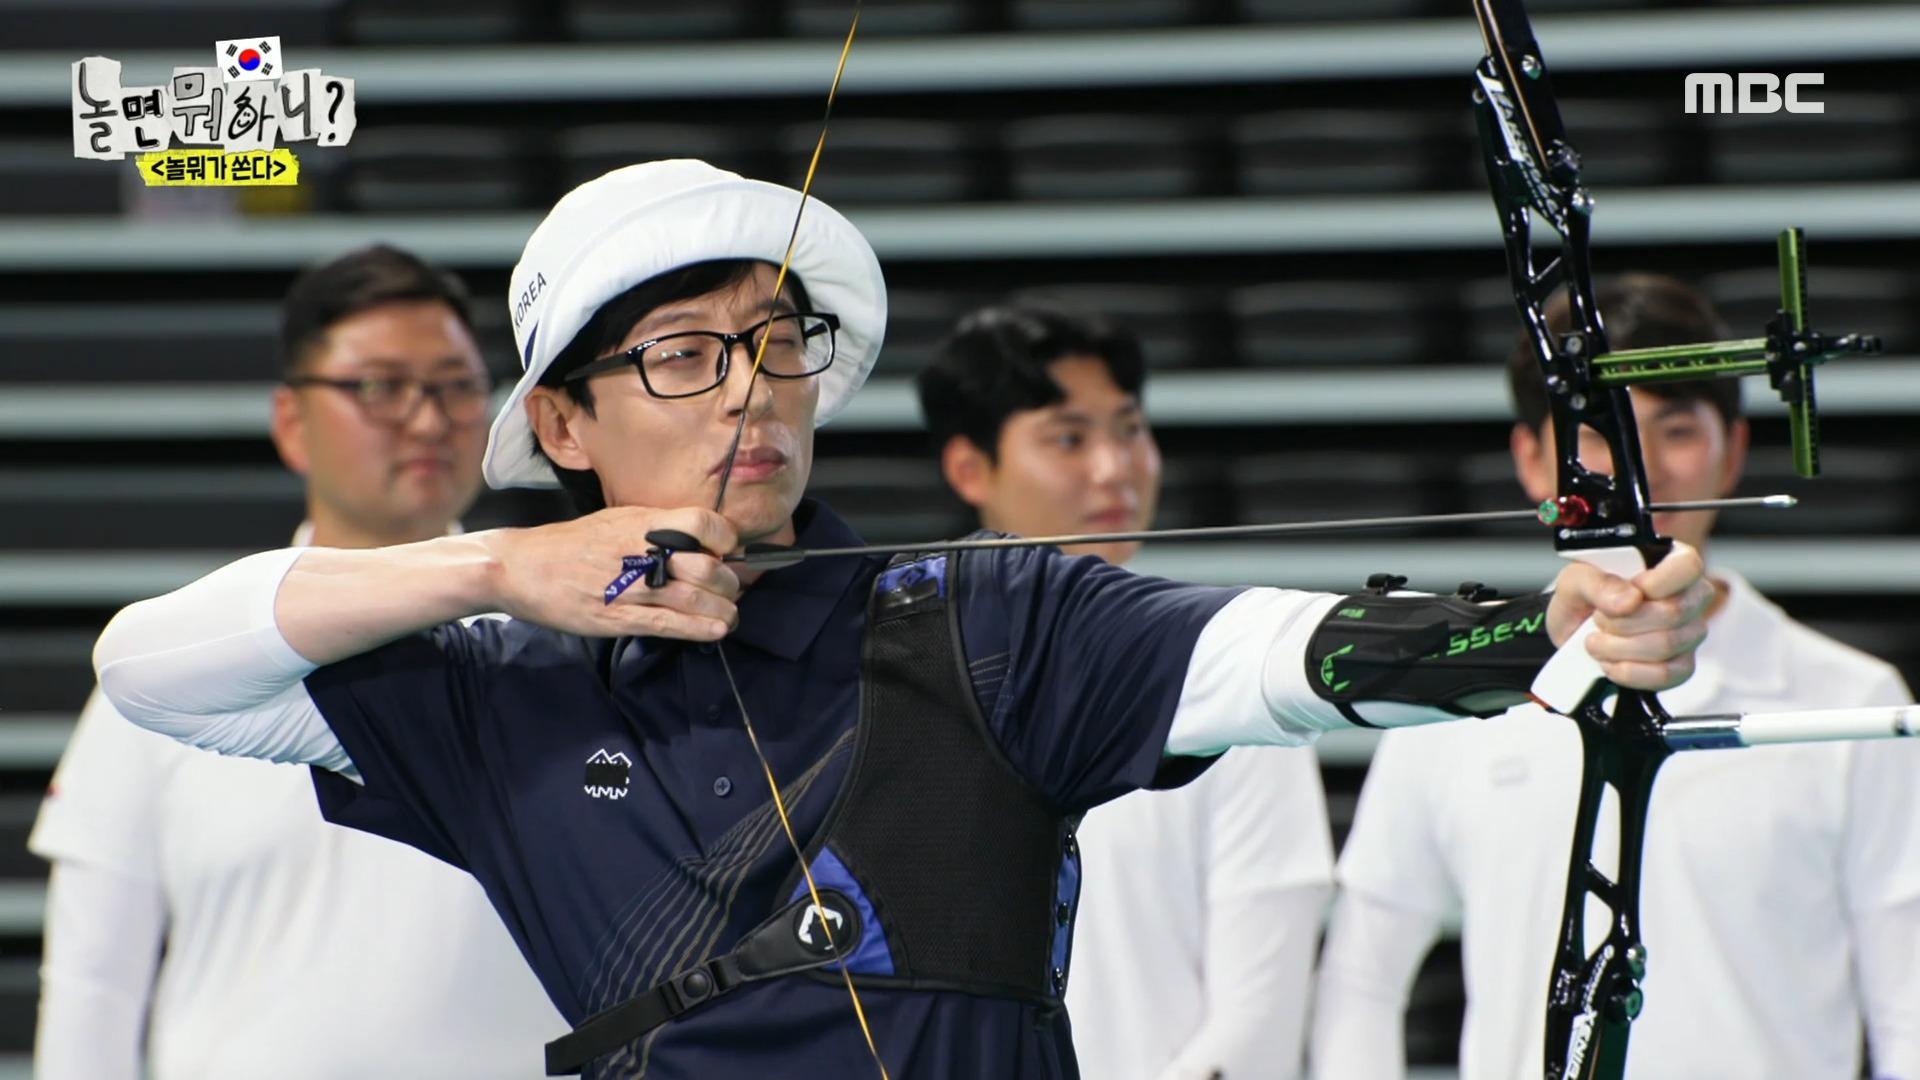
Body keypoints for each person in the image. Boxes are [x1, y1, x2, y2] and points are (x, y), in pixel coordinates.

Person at [86, 160, 1711, 1080]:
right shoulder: (491, 682)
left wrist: (1547, 637)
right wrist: (498, 569)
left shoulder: (987, 616)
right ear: (564, 425)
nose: (749, 391)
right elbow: (151, 665)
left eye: (773, 344)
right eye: (683, 357)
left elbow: (1275, 659)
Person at [1309, 273, 1920, 1080]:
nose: (1641, 472)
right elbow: (1361, 974)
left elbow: (1908, 1000)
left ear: (1734, 450)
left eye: (1677, 431)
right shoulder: (1449, 694)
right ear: (1533, 460)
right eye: (1600, 435)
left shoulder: (1853, 701)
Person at [30, 245, 566, 1079]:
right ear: (291, 421)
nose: (429, 421)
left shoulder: (552, 649)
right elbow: (92, 982)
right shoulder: (175, 669)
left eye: (457, 386)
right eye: (381, 387)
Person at [917, 302, 1333, 1080]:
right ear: (970, 468)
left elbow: (1258, 1024)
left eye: (1130, 429)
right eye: (1069, 438)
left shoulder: (1225, 677)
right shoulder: (895, 679)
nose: (1115, 468)